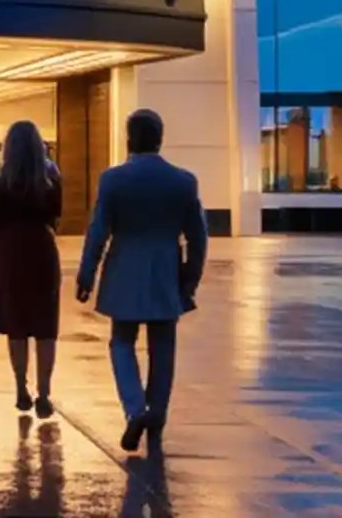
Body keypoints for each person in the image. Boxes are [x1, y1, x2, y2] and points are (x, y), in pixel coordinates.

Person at [76, 109, 208, 452]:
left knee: (121, 342)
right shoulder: (183, 182)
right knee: (163, 348)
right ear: (160, 138)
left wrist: (86, 273)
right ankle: (157, 415)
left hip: (124, 271)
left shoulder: (113, 180)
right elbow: (198, 237)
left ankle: (135, 409)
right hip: (166, 272)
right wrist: (190, 280)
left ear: (129, 138)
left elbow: (98, 230)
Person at [0, 120, 63, 419]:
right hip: (43, 253)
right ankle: (44, 393)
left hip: (7, 257)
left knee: (16, 326)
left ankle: (21, 387)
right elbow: (56, 216)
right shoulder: (50, 180)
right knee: (46, 327)